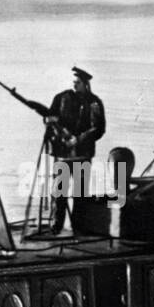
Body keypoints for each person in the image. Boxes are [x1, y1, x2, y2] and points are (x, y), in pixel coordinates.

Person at [41, 66, 105, 234]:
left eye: (78, 83)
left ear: (86, 84)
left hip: (82, 155)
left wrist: (78, 140)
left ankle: (79, 227)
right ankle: (56, 226)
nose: (75, 85)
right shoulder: (61, 98)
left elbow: (98, 128)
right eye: (74, 82)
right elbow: (50, 117)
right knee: (58, 192)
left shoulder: (94, 103)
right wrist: (51, 125)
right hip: (62, 155)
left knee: (81, 194)